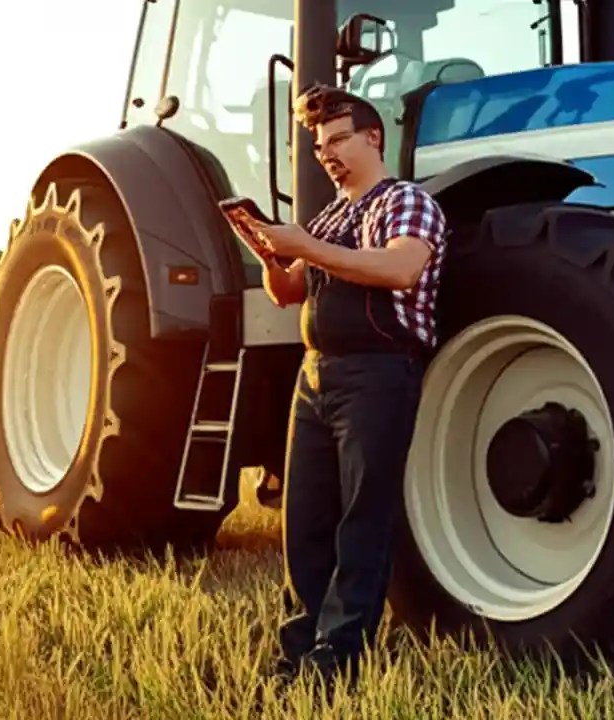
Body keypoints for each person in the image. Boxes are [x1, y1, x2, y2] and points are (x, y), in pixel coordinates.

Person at [241, 83, 448, 689]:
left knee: (362, 521)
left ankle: (337, 661)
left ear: (372, 137)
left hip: (378, 374)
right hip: (316, 375)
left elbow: (401, 267)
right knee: (303, 523)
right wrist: (269, 252)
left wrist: (304, 244)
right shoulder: (331, 217)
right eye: (318, 144)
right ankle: (297, 654)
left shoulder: (405, 202)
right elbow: (288, 293)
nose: (326, 153)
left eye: (337, 139)